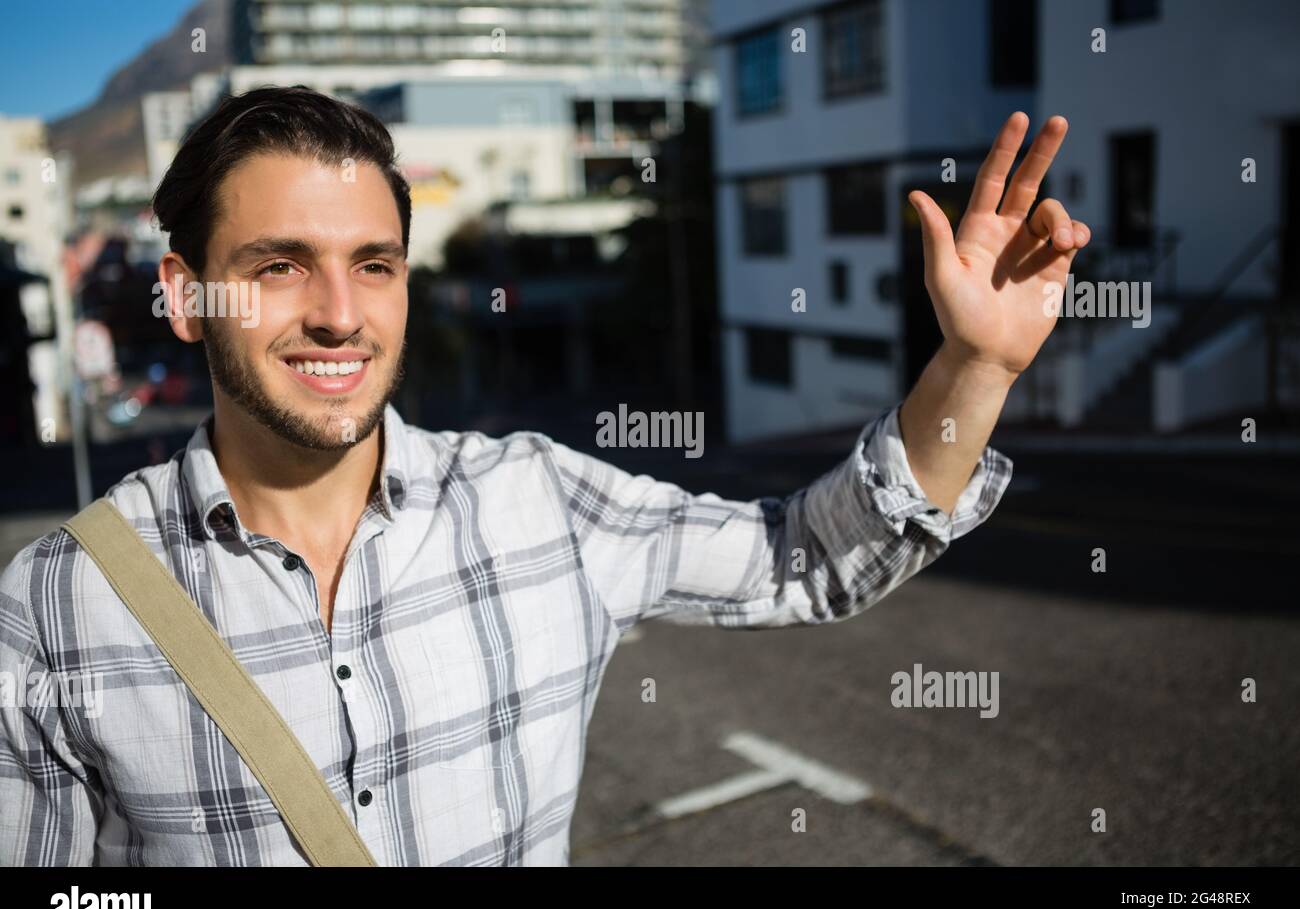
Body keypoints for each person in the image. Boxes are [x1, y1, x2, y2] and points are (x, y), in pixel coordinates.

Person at [0, 87, 1089, 866]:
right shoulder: (56, 602)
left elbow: (804, 559)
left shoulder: (538, 500)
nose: (340, 311)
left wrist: (975, 363)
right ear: (188, 299)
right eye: (278, 266)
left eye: (374, 265)